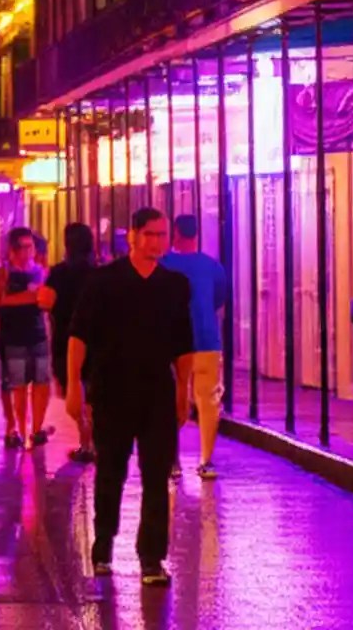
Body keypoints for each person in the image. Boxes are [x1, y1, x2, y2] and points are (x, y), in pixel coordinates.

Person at [66, 208, 194, 586]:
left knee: (157, 476)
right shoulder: (103, 282)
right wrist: (75, 384)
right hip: (112, 391)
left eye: (162, 234)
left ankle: (151, 557)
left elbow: (183, 342)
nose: (157, 241)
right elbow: (79, 335)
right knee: (111, 472)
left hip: (157, 392)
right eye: (150, 234)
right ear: (133, 236)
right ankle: (103, 545)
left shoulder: (174, 285)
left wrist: (183, 390)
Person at [158, 215, 228, 479]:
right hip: (207, 340)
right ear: (197, 234)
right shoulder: (212, 266)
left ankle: (173, 461)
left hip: (173, 343)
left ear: (175, 234)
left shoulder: (165, 265)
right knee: (209, 401)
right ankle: (206, 460)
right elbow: (219, 299)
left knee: (172, 400)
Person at [40, 223, 98, 463]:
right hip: (96, 339)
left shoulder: (59, 273)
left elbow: (45, 302)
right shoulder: (99, 272)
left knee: (72, 389)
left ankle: (85, 440)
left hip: (66, 336)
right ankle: (92, 441)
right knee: (93, 390)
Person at [0, 227, 52, 449]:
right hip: (13, 337)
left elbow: (46, 301)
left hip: (38, 334)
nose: (29, 252)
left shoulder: (41, 272)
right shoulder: (4, 274)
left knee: (41, 382)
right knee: (17, 385)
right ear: (13, 250)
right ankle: (18, 426)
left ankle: (37, 428)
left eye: (31, 246)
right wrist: (31, 297)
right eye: (24, 247)